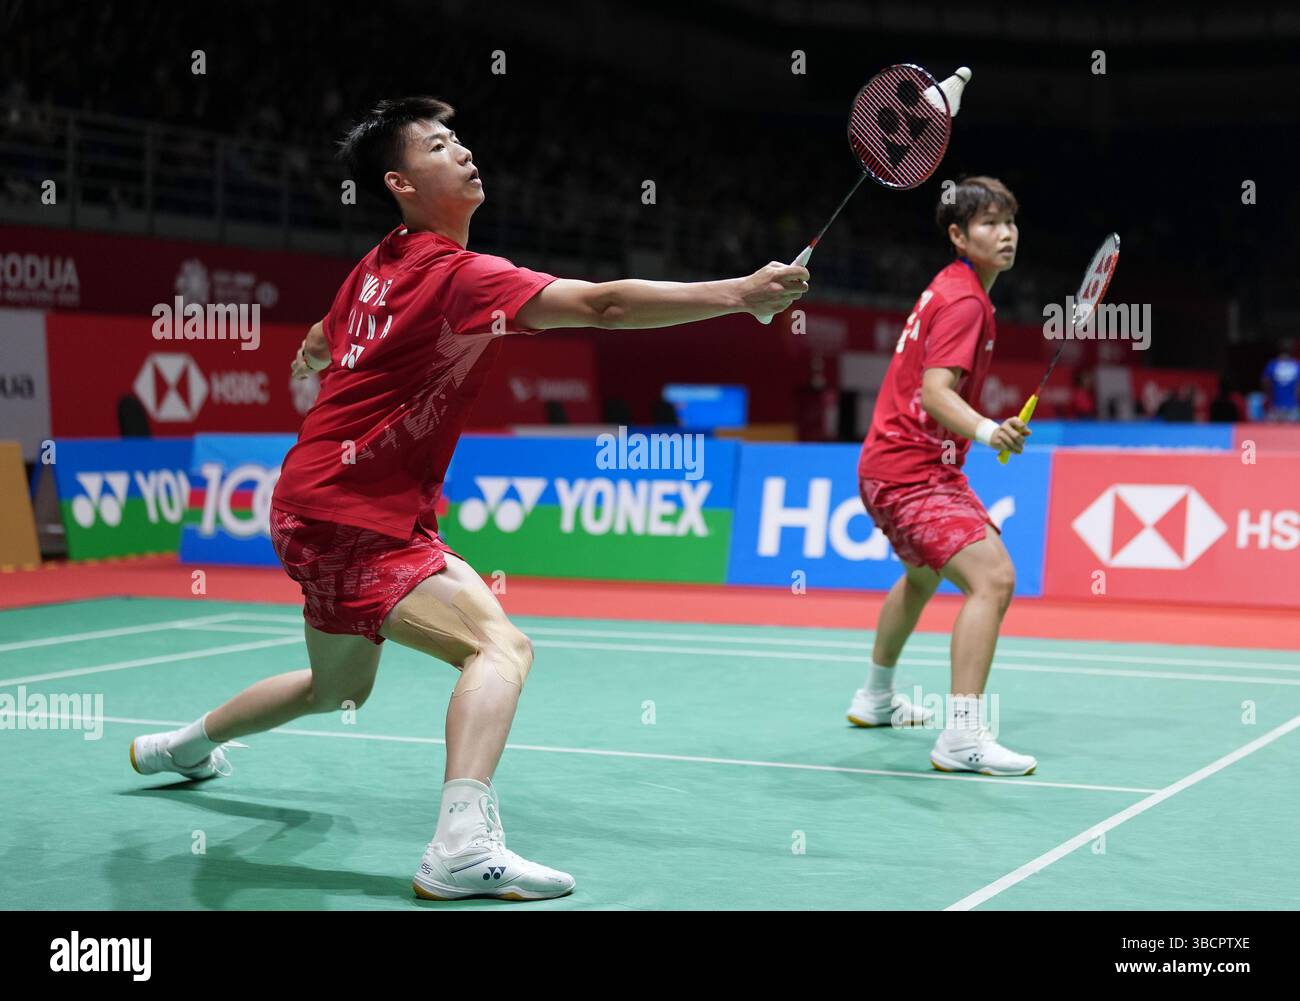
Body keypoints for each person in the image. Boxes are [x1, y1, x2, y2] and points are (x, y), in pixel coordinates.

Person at [128, 96, 809, 901]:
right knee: (501, 647)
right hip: (354, 515)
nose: (464, 153)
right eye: (440, 145)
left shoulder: (378, 262)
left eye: (460, 139)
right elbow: (603, 304)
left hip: (322, 502)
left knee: (335, 690)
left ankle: (177, 747)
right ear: (400, 182)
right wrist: (742, 293)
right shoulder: (455, 276)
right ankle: (458, 845)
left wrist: (319, 370)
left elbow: (317, 342)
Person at [847, 176, 1037, 776]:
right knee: (994, 579)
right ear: (958, 235)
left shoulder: (956, 288)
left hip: (896, 465)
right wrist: (987, 430)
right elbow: (935, 394)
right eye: (988, 224)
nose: (1004, 233)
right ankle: (962, 738)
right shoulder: (965, 301)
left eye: (1009, 221)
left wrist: (976, 434)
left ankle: (875, 697)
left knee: (923, 578)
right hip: (911, 472)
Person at [1262, 339, 1299, 421]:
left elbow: (1266, 386)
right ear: (1292, 350)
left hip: (1276, 408)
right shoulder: (1297, 366)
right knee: (1293, 434)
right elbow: (1298, 389)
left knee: (1271, 434)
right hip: (1292, 408)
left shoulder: (1272, 365)